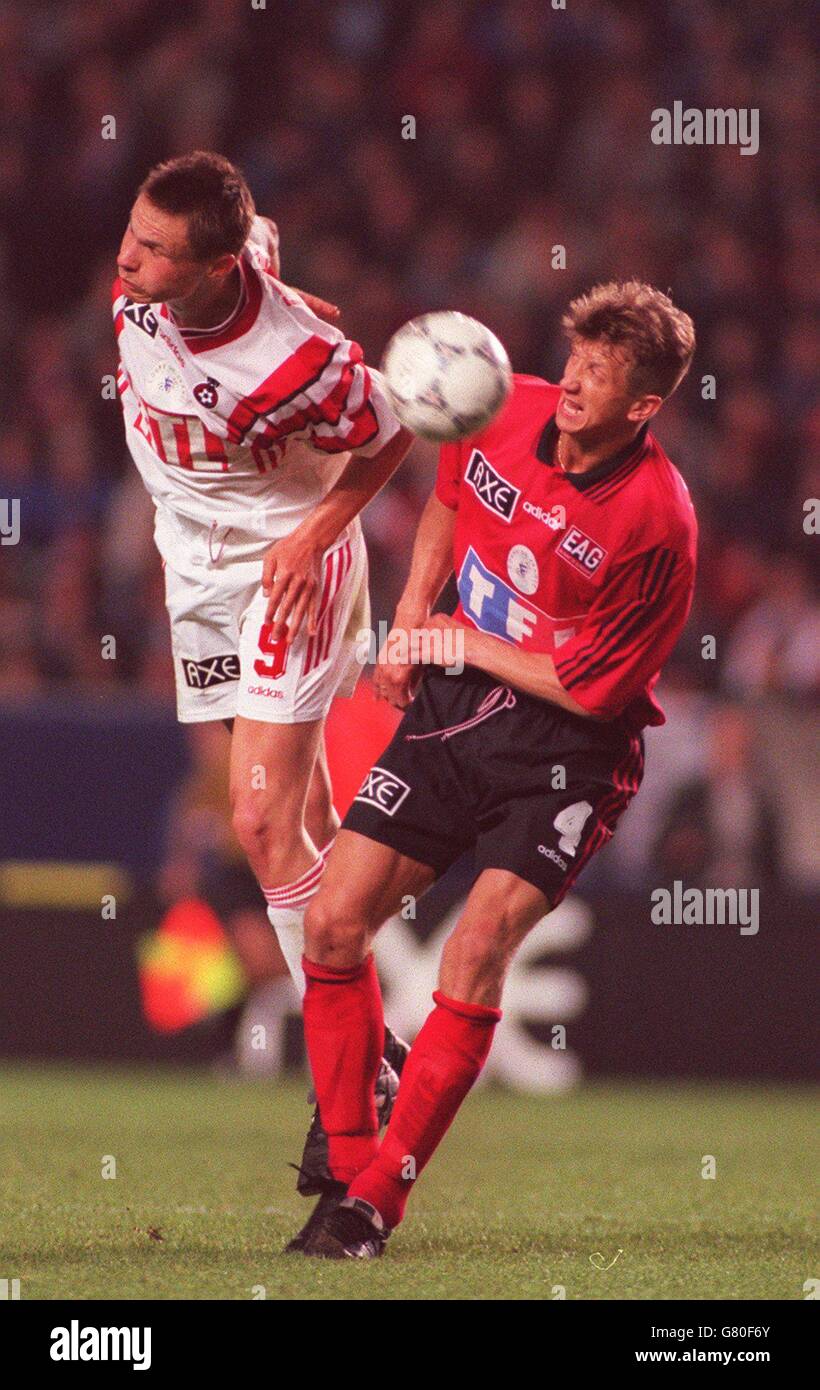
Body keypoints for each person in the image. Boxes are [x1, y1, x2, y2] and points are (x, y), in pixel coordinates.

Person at [293, 281, 699, 1258]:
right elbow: (449, 498)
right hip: (453, 709)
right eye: (578, 358)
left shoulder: (657, 521)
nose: (576, 382)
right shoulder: (498, 405)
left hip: (567, 755)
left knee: (474, 950)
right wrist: (410, 620)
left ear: (644, 405)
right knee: (332, 921)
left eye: (603, 373)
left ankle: (372, 1204)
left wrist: (462, 641)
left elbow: (593, 692)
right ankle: (349, 1158)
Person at [112, 150, 413, 1245]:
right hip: (195, 573)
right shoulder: (190, 268)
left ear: (210, 267)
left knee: (258, 820)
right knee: (302, 815)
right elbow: (261, 237)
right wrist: (277, 276)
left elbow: (392, 429)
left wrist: (315, 532)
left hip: (287, 569)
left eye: (153, 250)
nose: (127, 258)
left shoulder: (298, 360)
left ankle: (352, 1084)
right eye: (133, 232)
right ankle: (373, 1050)